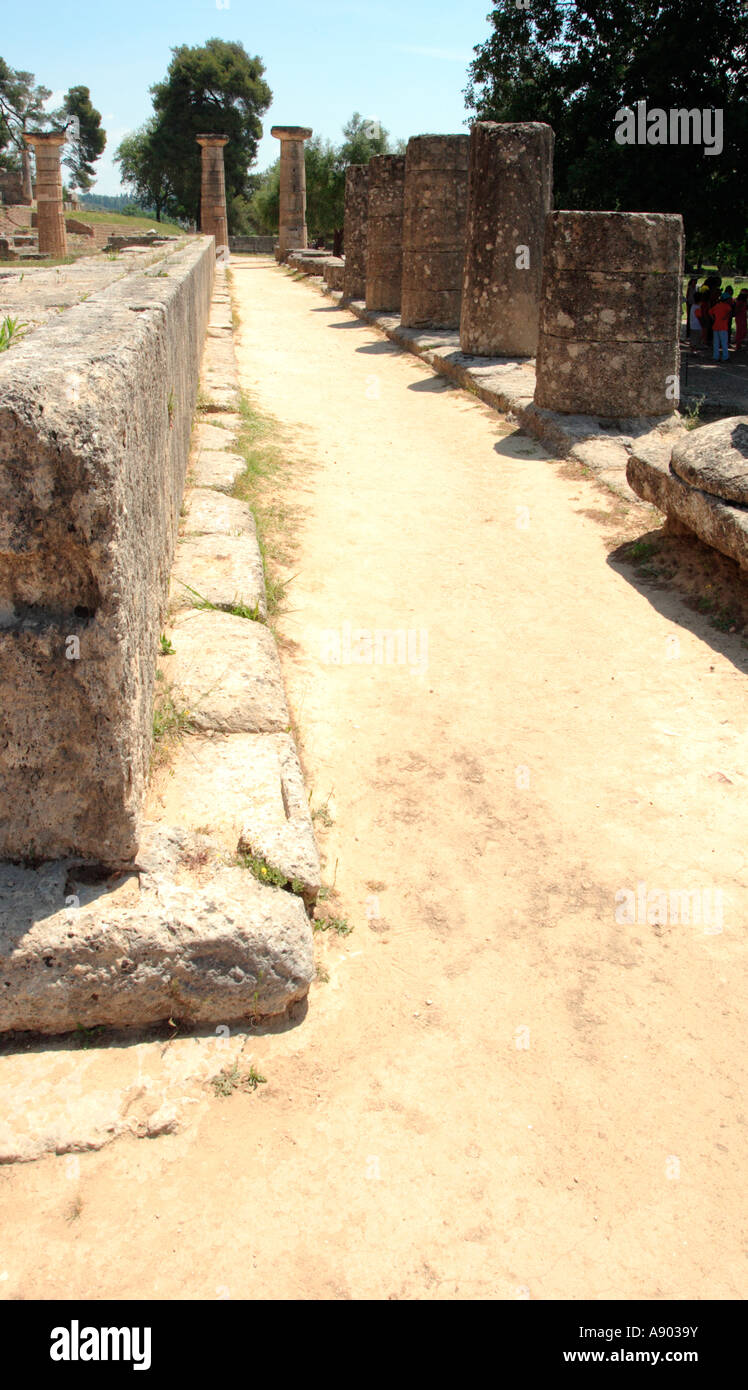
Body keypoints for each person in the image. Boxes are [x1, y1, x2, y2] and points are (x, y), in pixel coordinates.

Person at [709, 292, 732, 361]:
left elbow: (710, 312)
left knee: (716, 343)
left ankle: (715, 357)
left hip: (715, 326)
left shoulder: (717, 305)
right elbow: (730, 313)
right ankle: (725, 357)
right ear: (726, 299)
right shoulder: (727, 306)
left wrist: (714, 318)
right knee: (724, 343)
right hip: (723, 327)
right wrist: (725, 317)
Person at [685, 277, 698, 341]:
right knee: (689, 319)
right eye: (694, 281)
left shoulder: (696, 288)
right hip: (690, 304)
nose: (695, 283)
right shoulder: (689, 288)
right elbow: (687, 296)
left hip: (694, 303)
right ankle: (688, 334)